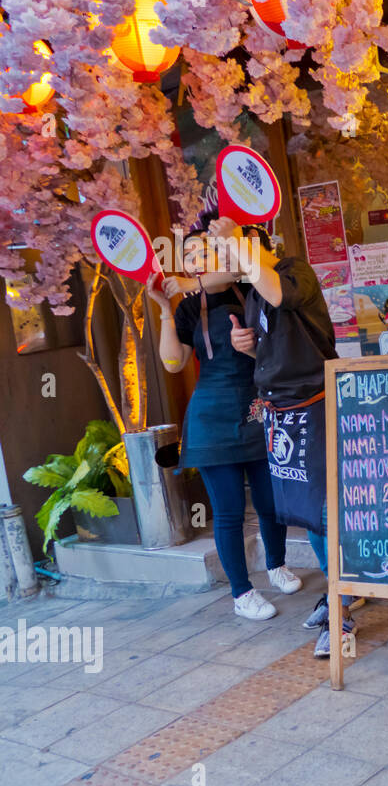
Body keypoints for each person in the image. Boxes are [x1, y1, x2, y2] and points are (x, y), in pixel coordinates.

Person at [175, 210, 354, 657]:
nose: (230, 257)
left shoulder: (293, 271)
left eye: (239, 247)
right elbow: (271, 341)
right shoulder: (253, 292)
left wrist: (237, 241)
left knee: (326, 509)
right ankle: (338, 592)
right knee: (310, 513)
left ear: (261, 247)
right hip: (281, 411)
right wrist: (251, 347)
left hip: (315, 405)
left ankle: (342, 608)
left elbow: (276, 290)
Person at [146, 233, 302, 621]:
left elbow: (233, 268)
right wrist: (166, 307)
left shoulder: (246, 284)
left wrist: (188, 283)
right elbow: (172, 362)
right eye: (189, 257)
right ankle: (242, 592)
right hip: (211, 415)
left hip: (256, 405)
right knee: (229, 510)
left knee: (270, 502)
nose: (196, 261)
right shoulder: (186, 308)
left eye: (203, 252)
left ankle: (277, 565)